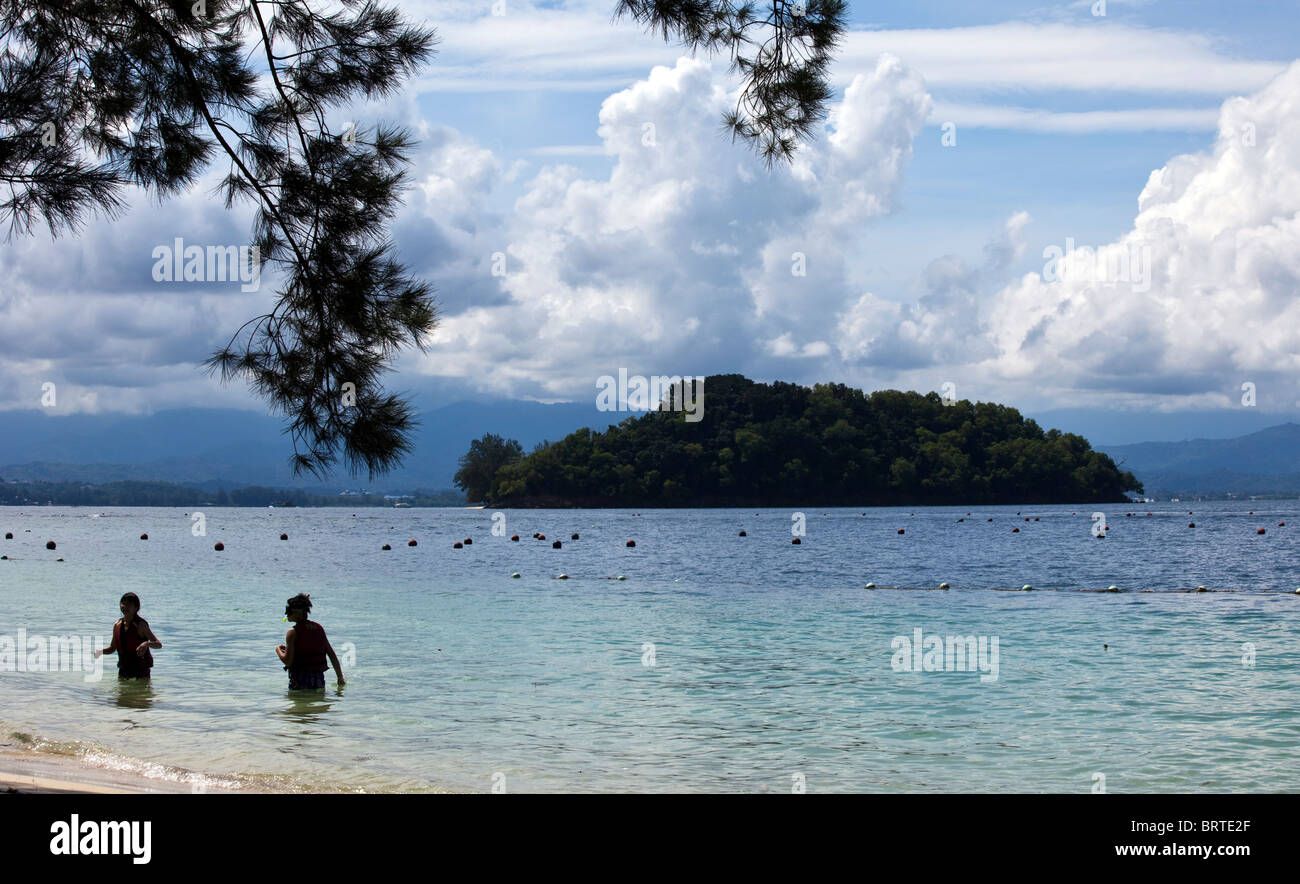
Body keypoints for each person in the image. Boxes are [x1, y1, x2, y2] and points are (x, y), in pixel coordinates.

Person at [276, 593, 345, 690]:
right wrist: (340, 677)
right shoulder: (318, 628)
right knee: (318, 704)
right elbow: (331, 654)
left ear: (297, 614)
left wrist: (278, 650)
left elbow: (288, 662)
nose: (287, 614)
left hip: (299, 681)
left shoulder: (292, 632)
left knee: (300, 705)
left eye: (289, 612)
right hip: (318, 680)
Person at [94, 592, 162, 680]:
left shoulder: (141, 625)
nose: (124, 606)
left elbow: (158, 644)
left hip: (141, 671)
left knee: (142, 693)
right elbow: (112, 648)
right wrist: (100, 652)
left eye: (129, 604)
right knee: (120, 693)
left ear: (136, 608)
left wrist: (146, 644)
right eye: (123, 603)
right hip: (123, 669)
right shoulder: (117, 624)